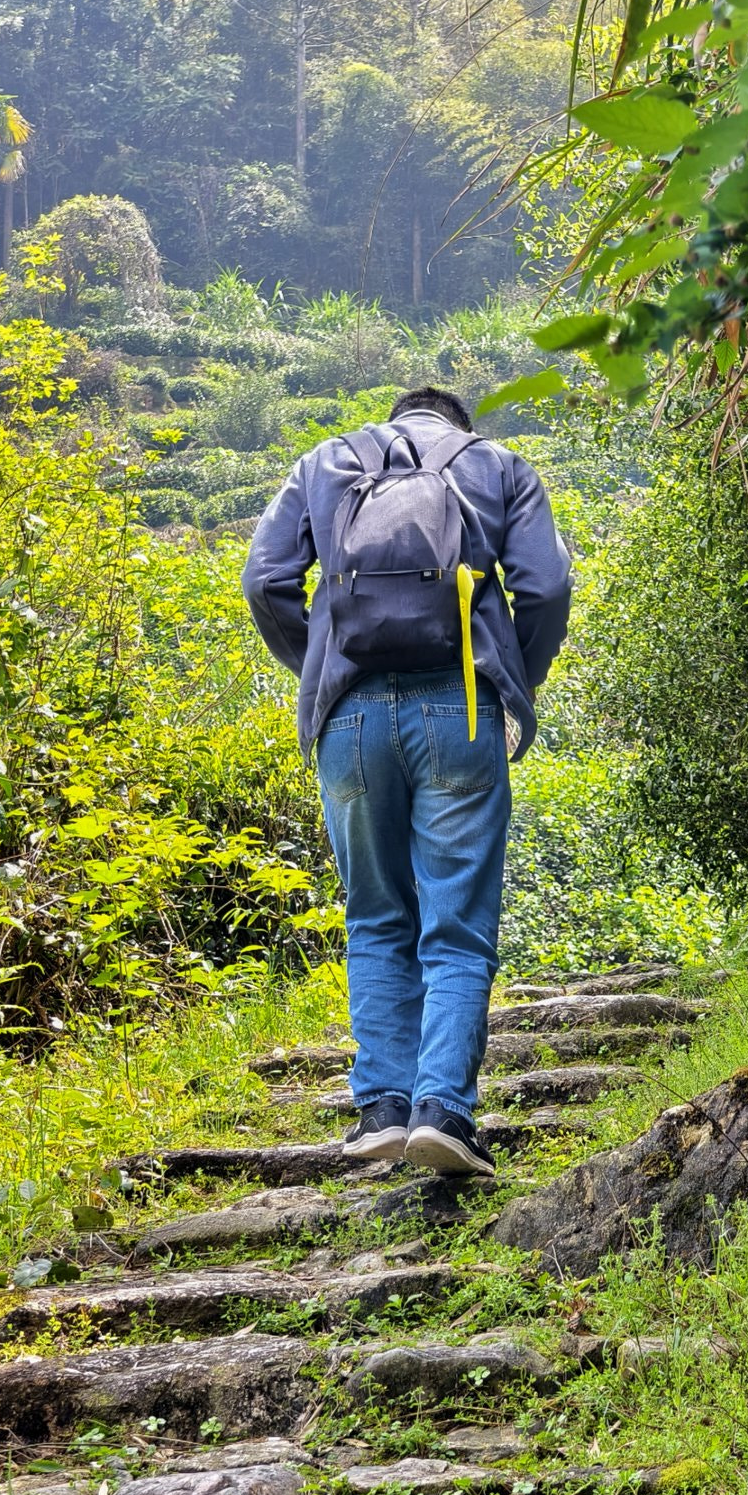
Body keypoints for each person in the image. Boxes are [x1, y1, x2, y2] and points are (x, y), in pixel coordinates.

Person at [243, 385, 572, 1174]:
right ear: (459, 425)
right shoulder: (499, 466)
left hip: (349, 718)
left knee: (376, 915)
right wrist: (512, 681)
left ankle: (382, 1111)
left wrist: (323, 666)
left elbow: (265, 581)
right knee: (456, 922)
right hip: (461, 707)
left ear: (395, 418)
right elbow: (547, 586)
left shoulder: (325, 463)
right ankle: (444, 1113)